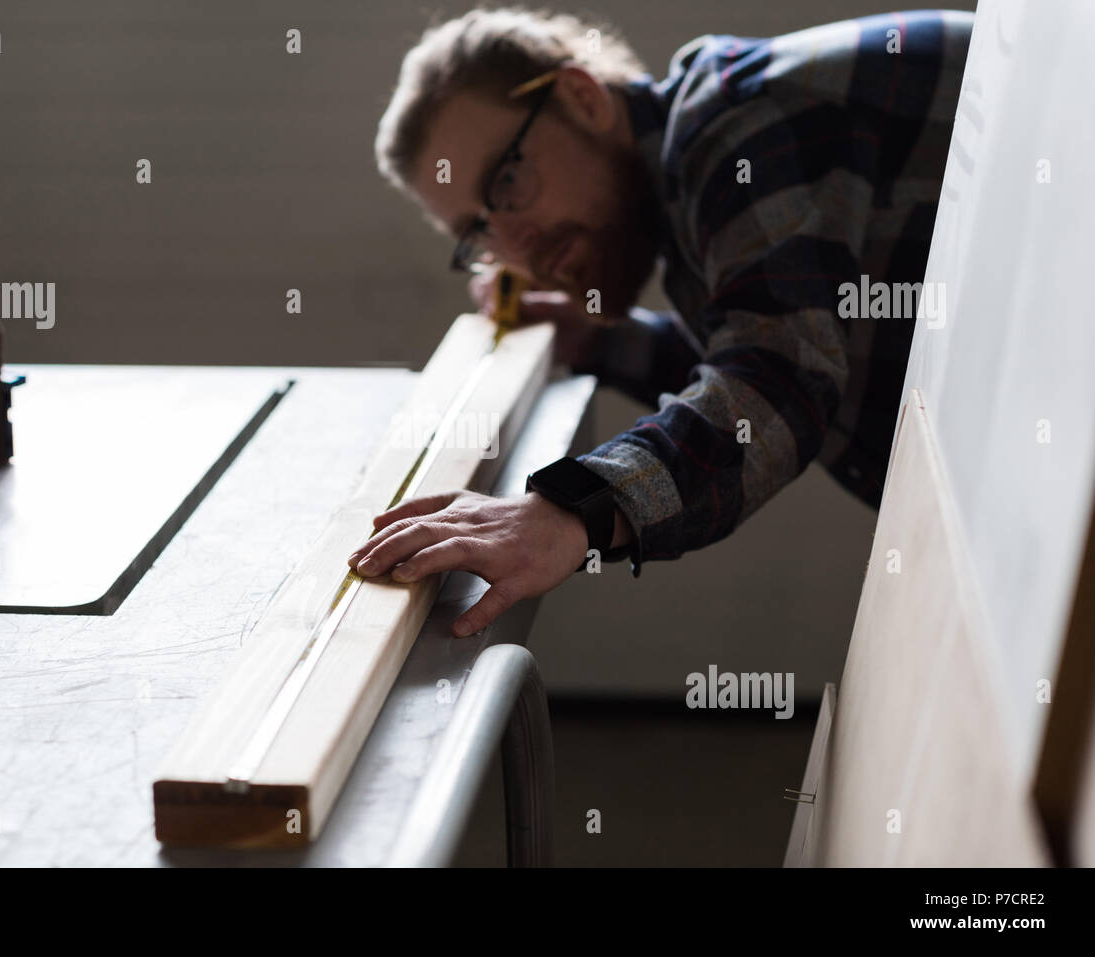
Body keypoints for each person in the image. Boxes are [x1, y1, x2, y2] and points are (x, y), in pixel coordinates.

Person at [351, 7, 974, 637]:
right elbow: (762, 339)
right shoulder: (697, 176)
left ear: (581, 97)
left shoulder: (739, 123)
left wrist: (575, 508)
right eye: (478, 232)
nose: (517, 243)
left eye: (508, 181)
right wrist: (596, 338)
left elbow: (781, 378)